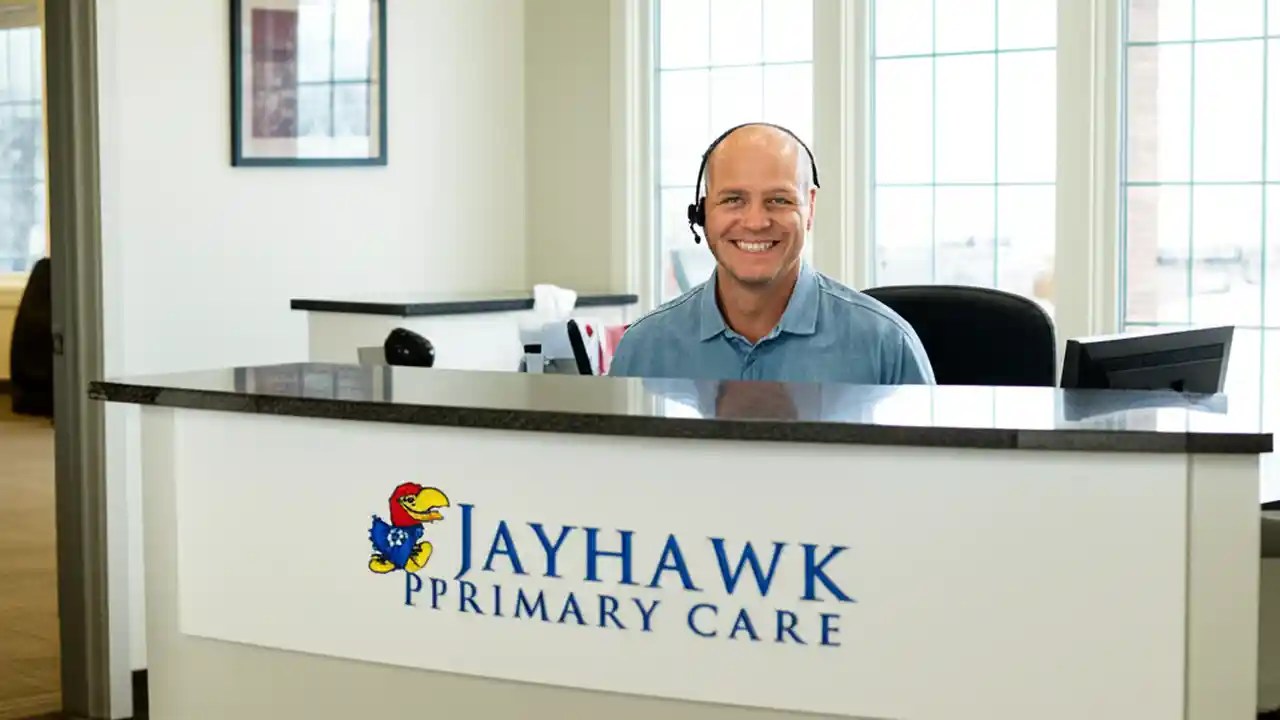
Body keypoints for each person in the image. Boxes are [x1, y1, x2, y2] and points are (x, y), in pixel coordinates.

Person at [608, 122, 935, 385]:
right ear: (703, 212)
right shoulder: (644, 349)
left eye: (779, 200)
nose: (756, 222)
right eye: (733, 199)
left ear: (810, 208)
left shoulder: (887, 348)